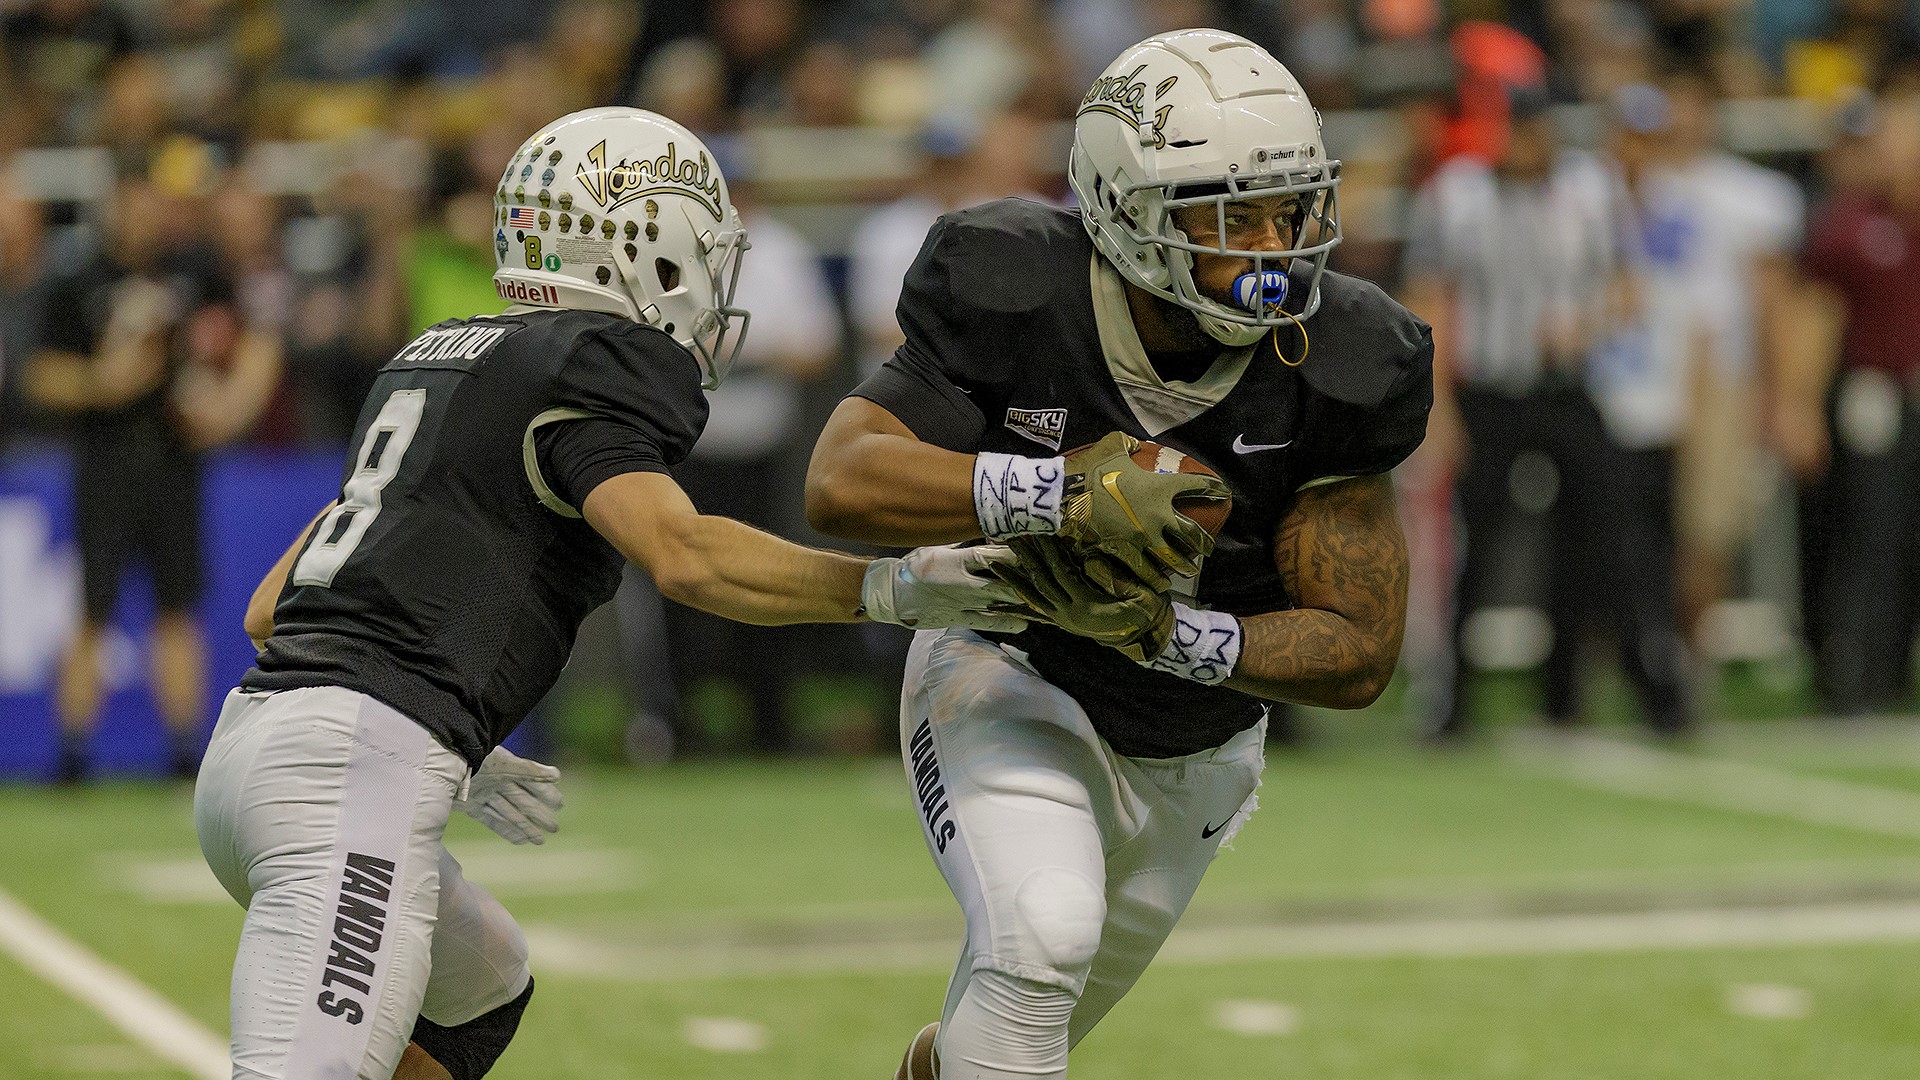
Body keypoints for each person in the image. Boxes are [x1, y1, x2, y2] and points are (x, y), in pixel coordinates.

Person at [191, 107, 1039, 1080]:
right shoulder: (588, 361)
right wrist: (892, 587)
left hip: (257, 748)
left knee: (483, 983)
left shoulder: (438, 355)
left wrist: (448, 736)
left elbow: (271, 608)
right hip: (345, 776)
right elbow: (687, 557)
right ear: (639, 247)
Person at [805, 30, 1431, 1080]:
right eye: (1238, 218)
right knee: (1042, 938)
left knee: (997, 1031)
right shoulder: (1020, 283)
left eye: (1293, 209)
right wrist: (1055, 490)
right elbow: (842, 477)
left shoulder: (1342, 358)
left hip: (1201, 751)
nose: (1279, 247)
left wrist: (1164, 632)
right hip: (1012, 673)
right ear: (1130, 210)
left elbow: (1359, 649)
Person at [1402, 83, 1690, 740]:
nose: (1528, 145)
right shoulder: (1457, 197)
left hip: (1569, 390)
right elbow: (1429, 304)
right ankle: (1450, 708)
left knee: (1607, 539)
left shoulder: (1592, 193)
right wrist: (1439, 408)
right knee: (1476, 550)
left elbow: (1627, 287)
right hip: (1491, 394)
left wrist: (1584, 326)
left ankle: (1617, 696)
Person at [24, 174, 278, 782]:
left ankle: (185, 750)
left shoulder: (195, 274)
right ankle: (73, 754)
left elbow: (252, 342)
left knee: (176, 609)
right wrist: (99, 382)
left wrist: (230, 403)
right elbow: (37, 374)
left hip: (174, 461)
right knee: (93, 610)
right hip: (107, 462)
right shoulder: (78, 280)